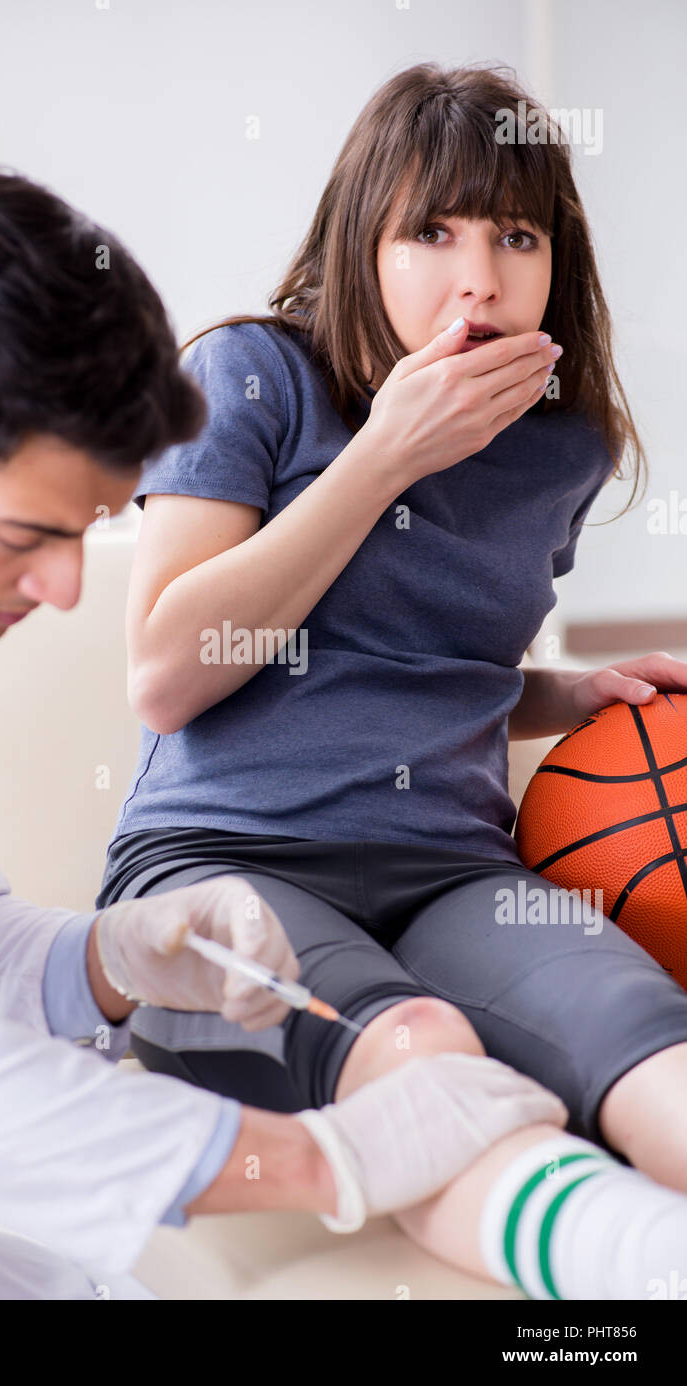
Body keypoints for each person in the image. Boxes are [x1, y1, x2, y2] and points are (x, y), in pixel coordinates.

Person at [0, 163, 569, 1301]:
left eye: (85, 531)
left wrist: (115, 958)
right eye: (29, 532)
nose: (68, 587)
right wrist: (319, 1159)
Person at [96, 61, 687, 1300]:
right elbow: (166, 673)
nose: (478, 273)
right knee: (423, 1049)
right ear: (361, 240)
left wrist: (556, 694)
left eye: (515, 234)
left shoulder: (560, 445)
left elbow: (431, 658)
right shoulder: (250, 374)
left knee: (644, 1040)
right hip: (223, 868)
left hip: (448, 870)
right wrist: (383, 459)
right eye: (432, 230)